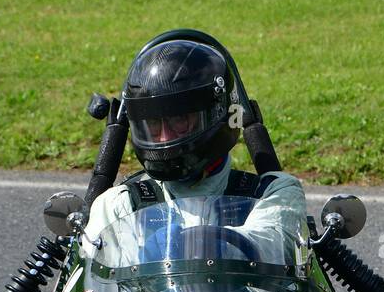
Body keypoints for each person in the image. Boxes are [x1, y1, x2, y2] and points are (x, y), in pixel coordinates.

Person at [82, 38, 306, 264]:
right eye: (153, 124)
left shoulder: (275, 195)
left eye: (179, 119)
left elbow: (271, 245)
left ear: (220, 115)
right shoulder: (119, 206)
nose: (164, 138)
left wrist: (200, 244)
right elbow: (98, 287)